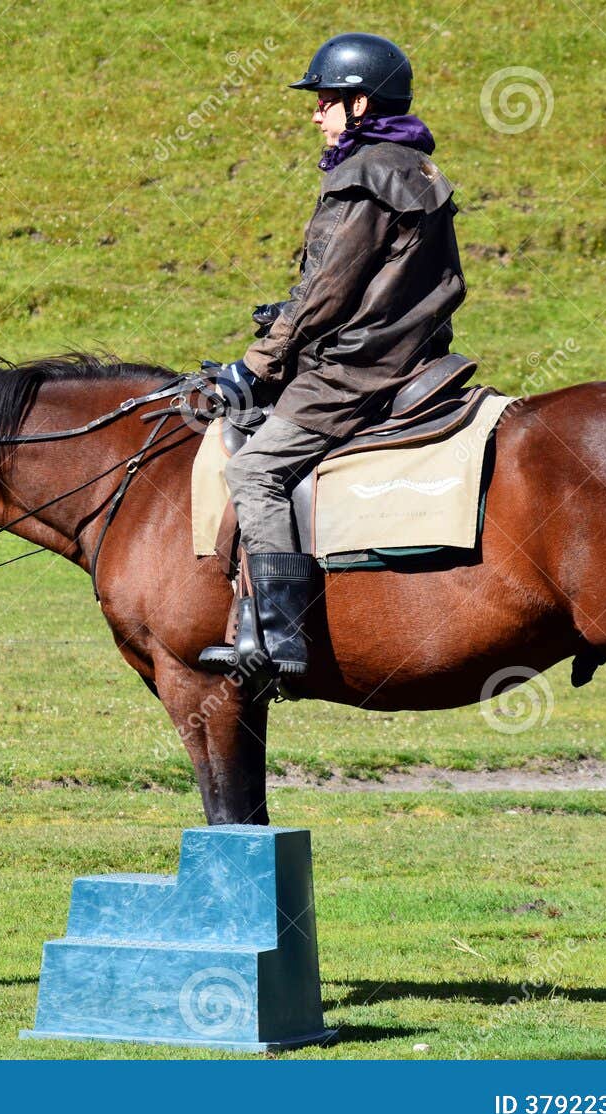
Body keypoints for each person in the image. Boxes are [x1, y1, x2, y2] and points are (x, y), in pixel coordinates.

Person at [201, 32, 467, 681]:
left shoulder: (365, 175)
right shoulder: (416, 168)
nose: (315, 114)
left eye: (325, 101)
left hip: (355, 368)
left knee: (257, 470)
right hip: (410, 351)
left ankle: (281, 635)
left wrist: (256, 364)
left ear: (361, 104)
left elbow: (325, 291)